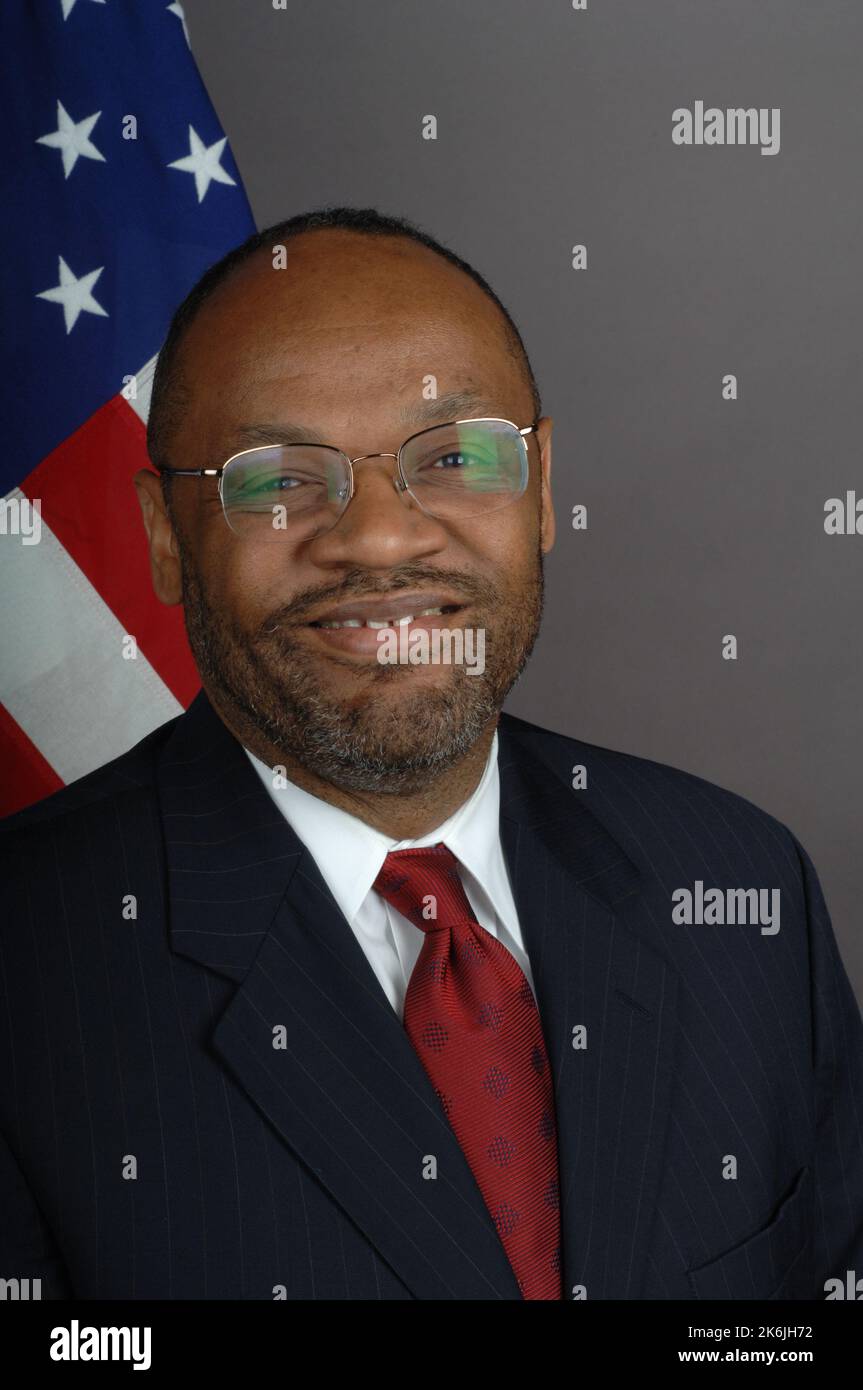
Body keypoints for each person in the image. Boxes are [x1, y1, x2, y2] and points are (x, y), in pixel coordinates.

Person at [1, 207, 861, 1301]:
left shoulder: (742, 889)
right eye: (274, 478)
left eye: (453, 455)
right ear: (166, 537)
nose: (378, 537)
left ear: (541, 488)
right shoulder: (31, 976)